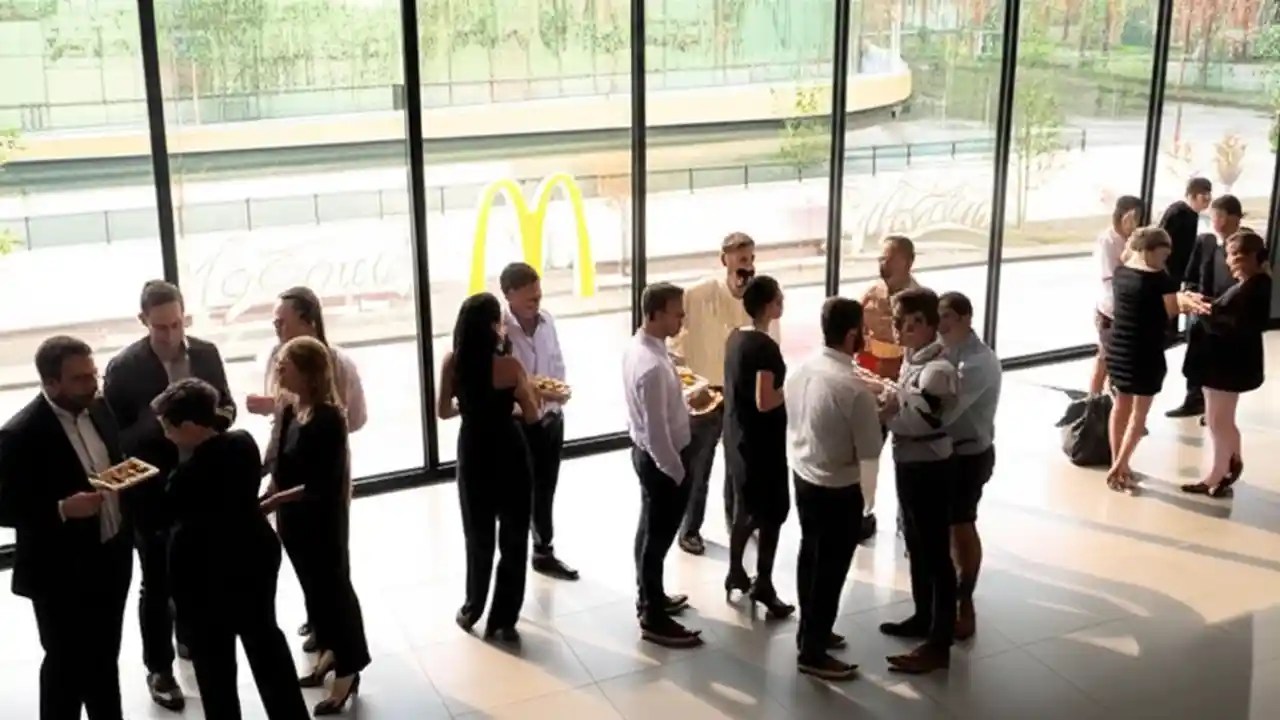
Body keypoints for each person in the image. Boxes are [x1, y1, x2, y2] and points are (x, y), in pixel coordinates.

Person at [102, 280, 235, 711]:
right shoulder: (123, 368)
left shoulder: (207, 353)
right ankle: (159, 668)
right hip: (154, 493)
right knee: (156, 582)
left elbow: (227, 406)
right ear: (143, 321)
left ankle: (188, 637)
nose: (171, 334)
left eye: (177, 324)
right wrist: (158, 422)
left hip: (203, 484)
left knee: (199, 571)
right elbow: (116, 439)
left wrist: (211, 425)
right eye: (161, 327)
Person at [153, 379, 309, 720]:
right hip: (254, 557)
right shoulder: (243, 443)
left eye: (168, 427)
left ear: (189, 426)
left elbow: (164, 517)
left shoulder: (185, 477)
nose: (166, 435)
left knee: (215, 667)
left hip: (207, 578)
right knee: (266, 644)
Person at [0, 336, 133, 720]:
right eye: (79, 379)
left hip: (111, 555)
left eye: (93, 374)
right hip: (60, 572)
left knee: (105, 659)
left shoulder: (99, 408)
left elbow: (111, 459)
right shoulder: (20, 434)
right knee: (66, 668)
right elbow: (5, 506)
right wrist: (60, 509)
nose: (92, 384)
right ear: (50, 382)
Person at [248, 286, 367, 649]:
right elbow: (281, 423)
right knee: (304, 559)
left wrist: (314, 426)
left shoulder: (338, 367)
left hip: (320, 481)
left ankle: (341, 642)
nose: (276, 329)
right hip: (288, 473)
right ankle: (319, 621)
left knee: (331, 563)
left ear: (309, 321)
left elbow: (356, 418)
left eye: (282, 322)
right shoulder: (277, 361)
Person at [260, 336, 371, 715]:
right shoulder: (292, 409)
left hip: (321, 520)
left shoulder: (328, 418)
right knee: (314, 592)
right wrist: (270, 490)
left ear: (308, 373)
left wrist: (275, 501)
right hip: (294, 520)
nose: (278, 370)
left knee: (334, 592)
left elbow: (322, 483)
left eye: (285, 365)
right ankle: (330, 652)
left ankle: (349, 666)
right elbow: (282, 465)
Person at [785, 297, 888, 680]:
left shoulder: (803, 368)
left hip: (804, 474)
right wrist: (885, 413)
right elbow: (870, 453)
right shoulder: (854, 390)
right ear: (851, 334)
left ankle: (810, 630)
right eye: (863, 329)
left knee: (810, 555)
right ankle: (813, 652)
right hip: (839, 489)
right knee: (831, 571)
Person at [437, 293, 538, 645]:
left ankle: (472, 608)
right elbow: (532, 414)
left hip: (474, 451)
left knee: (478, 535)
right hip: (509, 452)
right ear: (494, 325)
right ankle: (503, 619)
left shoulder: (453, 363)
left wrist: (470, 408)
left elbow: (443, 411)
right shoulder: (510, 367)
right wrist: (514, 405)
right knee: (514, 538)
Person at [668, 231, 776, 556]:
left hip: (740, 394)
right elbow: (675, 339)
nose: (747, 265)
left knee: (739, 465)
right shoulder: (699, 294)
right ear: (724, 260)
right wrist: (687, 384)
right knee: (698, 466)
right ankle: (690, 528)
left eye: (751, 258)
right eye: (741, 258)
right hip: (706, 392)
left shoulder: (755, 300)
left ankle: (739, 524)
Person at [878, 288, 959, 675]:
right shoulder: (912, 360)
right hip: (908, 463)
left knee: (936, 553)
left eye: (914, 322)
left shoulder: (938, 370)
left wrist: (886, 413)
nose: (904, 329)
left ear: (932, 325)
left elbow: (925, 421)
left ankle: (939, 643)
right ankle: (922, 615)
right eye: (899, 322)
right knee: (916, 544)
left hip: (930, 468)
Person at [625, 282, 704, 648]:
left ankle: (650, 595)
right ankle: (653, 616)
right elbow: (658, 434)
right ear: (655, 314)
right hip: (663, 462)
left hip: (647, 454)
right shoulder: (652, 367)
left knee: (648, 531)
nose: (681, 320)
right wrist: (678, 472)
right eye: (677, 314)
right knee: (656, 541)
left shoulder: (641, 348)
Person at [1105, 227, 1209, 492]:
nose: (1165, 260)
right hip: (1146, 353)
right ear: (1148, 251)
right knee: (1139, 415)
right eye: (1163, 255)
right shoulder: (1160, 280)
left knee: (1120, 408)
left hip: (1119, 350)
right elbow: (1170, 311)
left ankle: (1118, 462)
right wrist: (1186, 301)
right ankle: (1120, 466)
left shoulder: (1121, 273)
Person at [499, 262, 578, 581]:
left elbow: (556, 363)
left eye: (538, 294)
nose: (536, 300)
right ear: (509, 295)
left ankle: (543, 550)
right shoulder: (501, 331)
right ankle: (514, 554)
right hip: (519, 423)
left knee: (546, 488)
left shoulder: (547, 322)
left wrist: (557, 394)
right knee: (518, 492)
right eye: (529, 296)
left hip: (550, 417)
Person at [722, 275, 793, 619]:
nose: (782, 303)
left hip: (738, 436)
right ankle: (763, 581)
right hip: (763, 443)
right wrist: (791, 390)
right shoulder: (765, 348)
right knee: (771, 513)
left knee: (744, 509)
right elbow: (765, 400)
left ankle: (735, 570)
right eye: (779, 299)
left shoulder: (735, 338)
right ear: (768, 305)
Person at [1181, 230, 1271, 498]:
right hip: (1223, 364)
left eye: (1233, 256)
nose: (1229, 261)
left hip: (1228, 366)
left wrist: (1201, 312)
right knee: (1217, 419)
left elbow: (1234, 325)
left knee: (1219, 420)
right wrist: (1205, 304)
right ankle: (1222, 469)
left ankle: (1225, 469)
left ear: (1249, 257)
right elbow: (1227, 312)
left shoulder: (1255, 286)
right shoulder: (1249, 283)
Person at [937, 292, 1001, 642]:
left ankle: (965, 602)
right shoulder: (945, 349)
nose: (940, 323)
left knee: (962, 526)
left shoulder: (978, 362)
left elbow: (945, 410)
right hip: (948, 453)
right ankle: (948, 598)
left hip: (969, 456)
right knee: (948, 527)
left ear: (965, 318)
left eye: (946, 316)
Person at [855, 234, 919, 542]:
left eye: (890, 258)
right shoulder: (870, 296)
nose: (883, 263)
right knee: (866, 457)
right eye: (881, 258)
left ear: (908, 262)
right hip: (872, 395)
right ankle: (862, 515)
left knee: (908, 462)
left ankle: (907, 523)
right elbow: (856, 341)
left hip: (906, 394)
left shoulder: (921, 301)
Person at [1169, 195, 1246, 420]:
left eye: (1220, 216)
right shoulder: (1206, 242)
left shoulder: (1245, 246)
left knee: (1222, 364)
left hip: (1227, 315)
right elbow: (1192, 275)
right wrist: (1190, 296)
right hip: (1201, 311)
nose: (1215, 221)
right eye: (1213, 216)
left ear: (1235, 218)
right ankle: (1194, 400)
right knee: (1197, 358)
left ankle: (1215, 408)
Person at [1090, 195, 1144, 397]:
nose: (1136, 222)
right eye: (1134, 217)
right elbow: (1111, 276)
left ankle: (1107, 400)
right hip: (1110, 308)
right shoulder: (1108, 240)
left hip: (1127, 308)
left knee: (1115, 361)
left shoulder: (1133, 239)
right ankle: (1094, 400)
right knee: (1105, 357)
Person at [1157, 177, 1213, 320]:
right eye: (1204, 195)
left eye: (1209, 194)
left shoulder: (1192, 214)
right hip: (1168, 270)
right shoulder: (1177, 212)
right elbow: (1161, 240)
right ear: (1192, 195)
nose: (1208, 199)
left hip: (1176, 271)